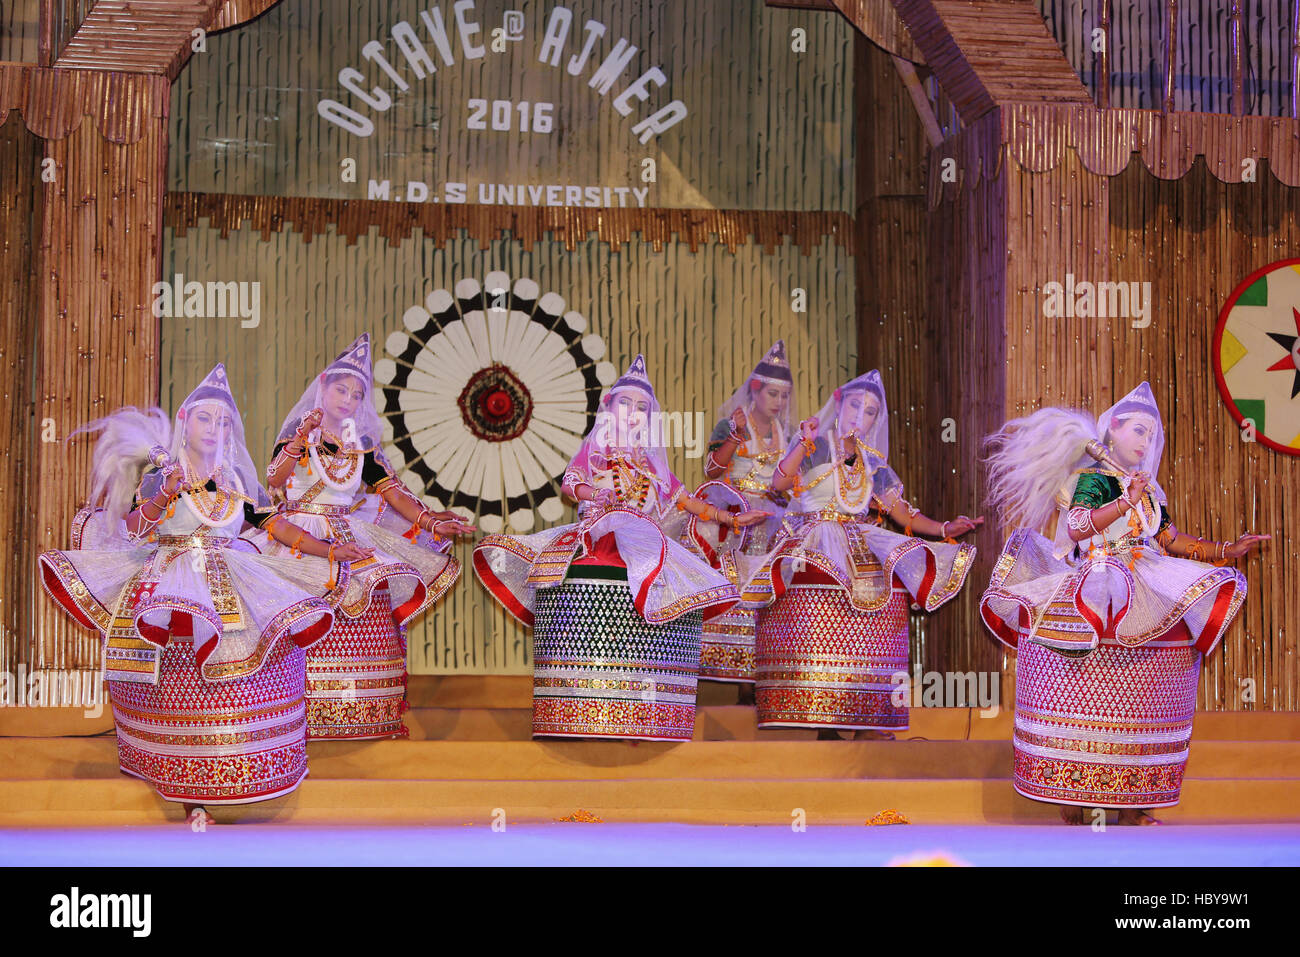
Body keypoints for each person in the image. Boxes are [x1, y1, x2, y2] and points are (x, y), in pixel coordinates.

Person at [38, 364, 360, 823]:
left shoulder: (232, 481)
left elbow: (276, 524)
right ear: (186, 419)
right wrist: (161, 497)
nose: (216, 429)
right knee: (185, 690)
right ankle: (190, 796)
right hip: (173, 589)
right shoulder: (160, 473)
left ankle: (241, 777)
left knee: (256, 674)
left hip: (233, 579)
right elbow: (132, 529)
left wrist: (330, 548)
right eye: (207, 418)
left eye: (225, 421)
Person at [981, 382, 1269, 824]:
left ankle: (1136, 802)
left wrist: (1226, 550)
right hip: (1099, 576)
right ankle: (1076, 795)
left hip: (1148, 577)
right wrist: (1124, 501)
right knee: (1086, 691)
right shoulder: (1095, 480)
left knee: (1147, 693)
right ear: (1111, 431)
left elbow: (1171, 541)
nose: (1144, 441)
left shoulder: (1150, 490)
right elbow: (1077, 528)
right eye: (1137, 430)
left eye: (1151, 435)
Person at [473, 355, 769, 741]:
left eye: (642, 408)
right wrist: (596, 493)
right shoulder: (596, 450)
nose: (633, 414)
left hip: (643, 544)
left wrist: (728, 519)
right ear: (609, 407)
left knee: (657, 596)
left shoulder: (649, 463)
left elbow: (684, 500)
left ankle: (636, 710)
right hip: (597, 540)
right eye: (626, 404)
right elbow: (570, 483)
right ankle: (578, 706)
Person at [741, 370, 981, 738]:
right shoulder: (817, 443)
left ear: (875, 420)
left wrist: (945, 529)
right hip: (814, 535)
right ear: (839, 404)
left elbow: (901, 512)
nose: (860, 416)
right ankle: (824, 712)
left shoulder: (874, 462)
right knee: (833, 582)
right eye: (855, 405)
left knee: (891, 577)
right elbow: (779, 483)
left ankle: (867, 712)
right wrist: (800, 445)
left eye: (869, 411)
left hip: (859, 536)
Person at [263, 334, 474, 739]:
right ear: (322, 386)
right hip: (297, 535)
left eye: (357, 394)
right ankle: (292, 712)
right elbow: (274, 479)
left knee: (370, 588)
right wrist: (296, 440)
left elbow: (393, 493)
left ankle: (360, 714)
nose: (347, 399)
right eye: (340, 389)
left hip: (348, 529)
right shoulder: (299, 435)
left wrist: (430, 521)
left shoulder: (363, 448)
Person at [688, 340, 795, 692]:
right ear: (755, 390)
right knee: (730, 589)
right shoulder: (731, 423)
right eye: (773, 395)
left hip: (773, 518)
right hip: (734, 517)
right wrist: (734, 436)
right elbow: (711, 471)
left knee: (770, 592)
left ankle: (758, 679)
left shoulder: (786, 433)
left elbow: (790, 481)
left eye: (783, 396)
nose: (779, 403)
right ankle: (718, 672)